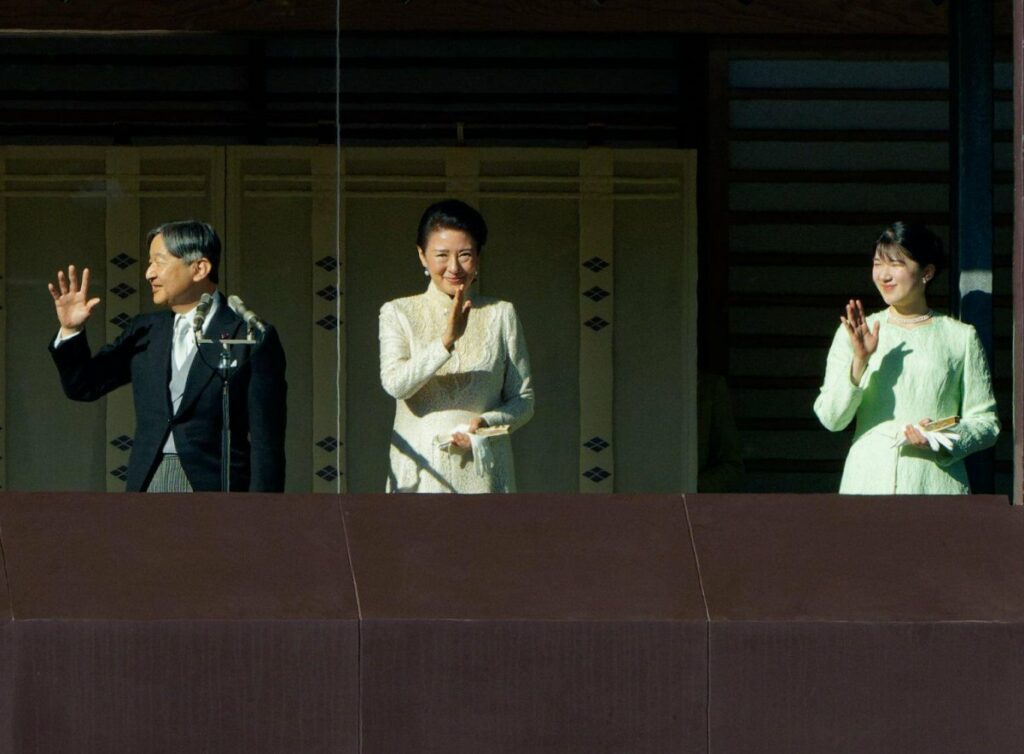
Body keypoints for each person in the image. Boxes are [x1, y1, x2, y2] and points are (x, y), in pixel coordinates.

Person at [48, 220, 287, 492]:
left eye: (159, 262)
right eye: (149, 263)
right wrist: (71, 330)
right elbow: (83, 386)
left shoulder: (249, 336)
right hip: (148, 482)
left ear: (199, 268)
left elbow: (267, 442)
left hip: (218, 487)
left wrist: (262, 510)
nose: (149, 273)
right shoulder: (145, 331)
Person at [813, 222, 999, 494]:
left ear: (927, 272)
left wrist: (938, 438)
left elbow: (986, 423)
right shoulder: (856, 333)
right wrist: (859, 361)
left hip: (934, 485)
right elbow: (831, 419)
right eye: (878, 264)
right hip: (867, 483)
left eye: (896, 264)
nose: (884, 275)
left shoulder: (960, 337)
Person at [379, 199, 534, 493]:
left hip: (485, 475)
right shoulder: (397, 312)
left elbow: (523, 400)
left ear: (478, 256)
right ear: (422, 256)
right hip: (419, 478)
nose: (454, 267)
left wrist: (485, 423)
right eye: (441, 255)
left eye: (464, 255)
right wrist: (445, 341)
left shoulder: (501, 313)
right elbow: (396, 384)